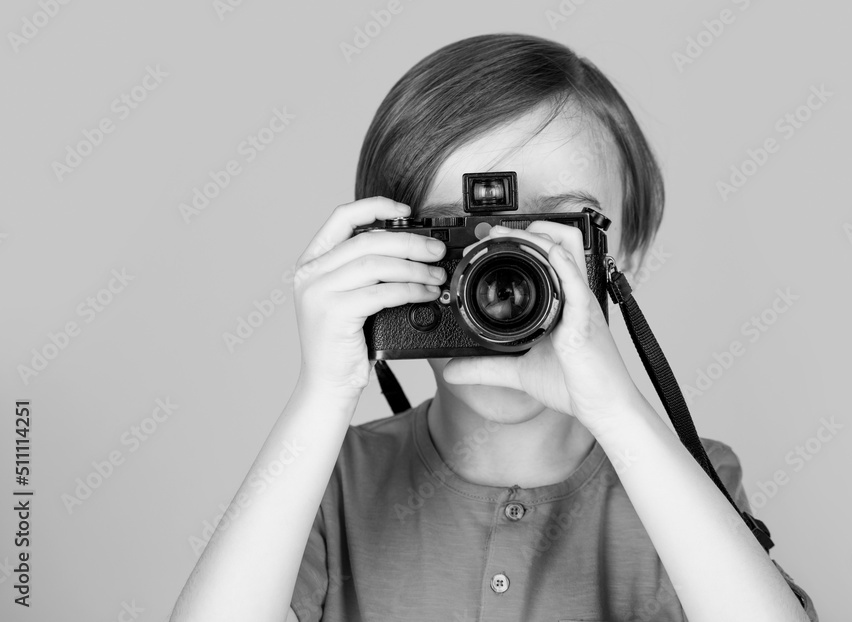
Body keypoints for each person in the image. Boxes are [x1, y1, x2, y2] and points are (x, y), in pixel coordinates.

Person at [170, 33, 818, 622]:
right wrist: (323, 392)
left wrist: (620, 413)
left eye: (554, 235)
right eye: (456, 238)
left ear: (623, 262)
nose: (502, 279)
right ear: (382, 257)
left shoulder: (679, 481)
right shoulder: (328, 479)